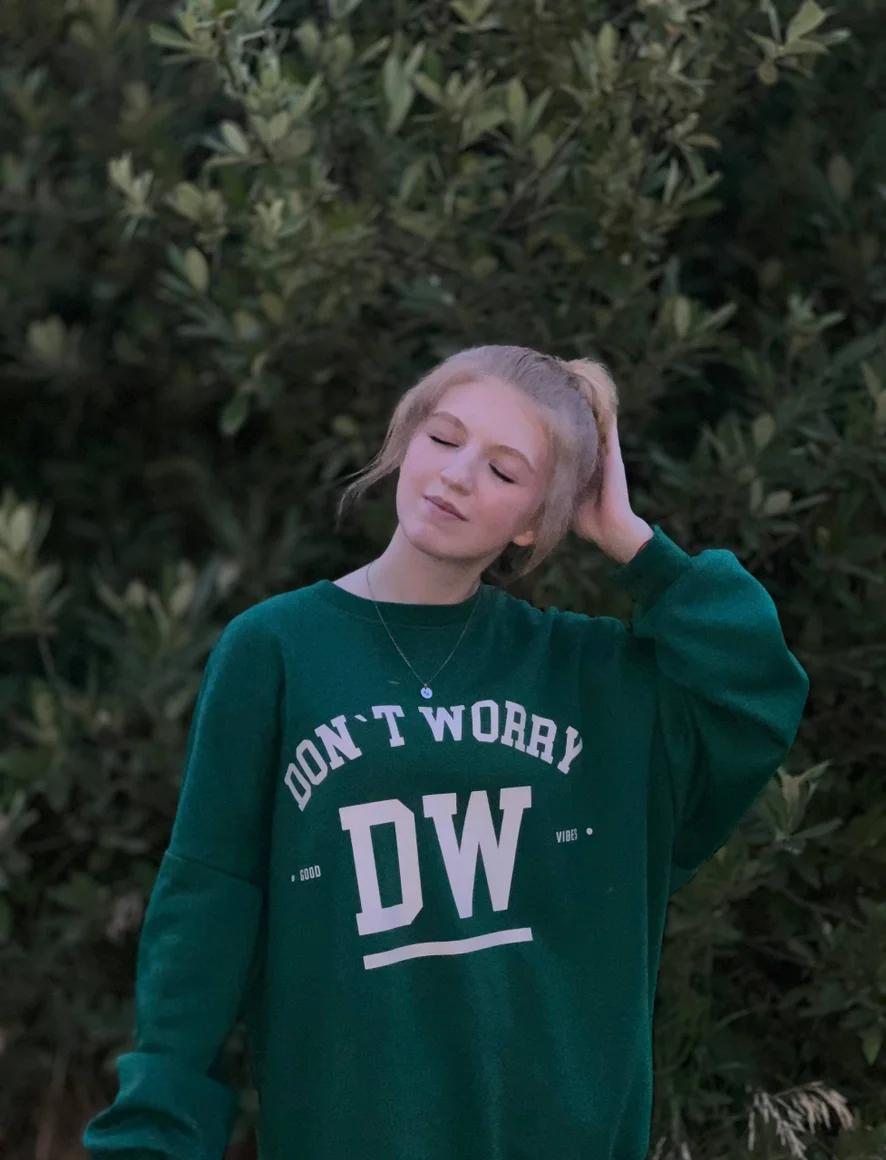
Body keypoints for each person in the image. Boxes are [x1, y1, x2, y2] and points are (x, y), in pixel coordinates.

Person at [82, 345, 809, 1160]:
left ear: (537, 520)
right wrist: (154, 1131)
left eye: (504, 470)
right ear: (405, 441)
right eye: (443, 438)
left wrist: (634, 544)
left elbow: (756, 692)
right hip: (351, 1132)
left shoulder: (593, 676)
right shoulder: (275, 650)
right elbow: (208, 903)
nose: (458, 476)